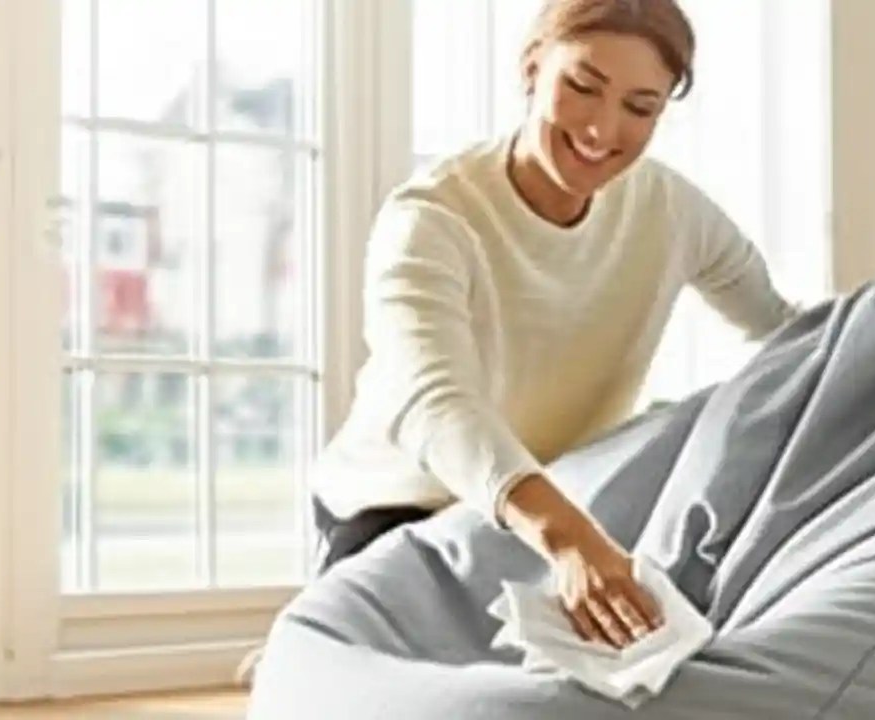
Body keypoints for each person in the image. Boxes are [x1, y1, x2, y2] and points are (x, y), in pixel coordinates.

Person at [310, 0, 798, 651]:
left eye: (640, 107)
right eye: (583, 87)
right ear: (532, 67)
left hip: (575, 505)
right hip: (408, 505)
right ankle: (307, 642)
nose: (602, 128)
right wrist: (572, 542)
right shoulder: (433, 218)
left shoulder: (670, 209)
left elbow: (784, 327)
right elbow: (436, 404)